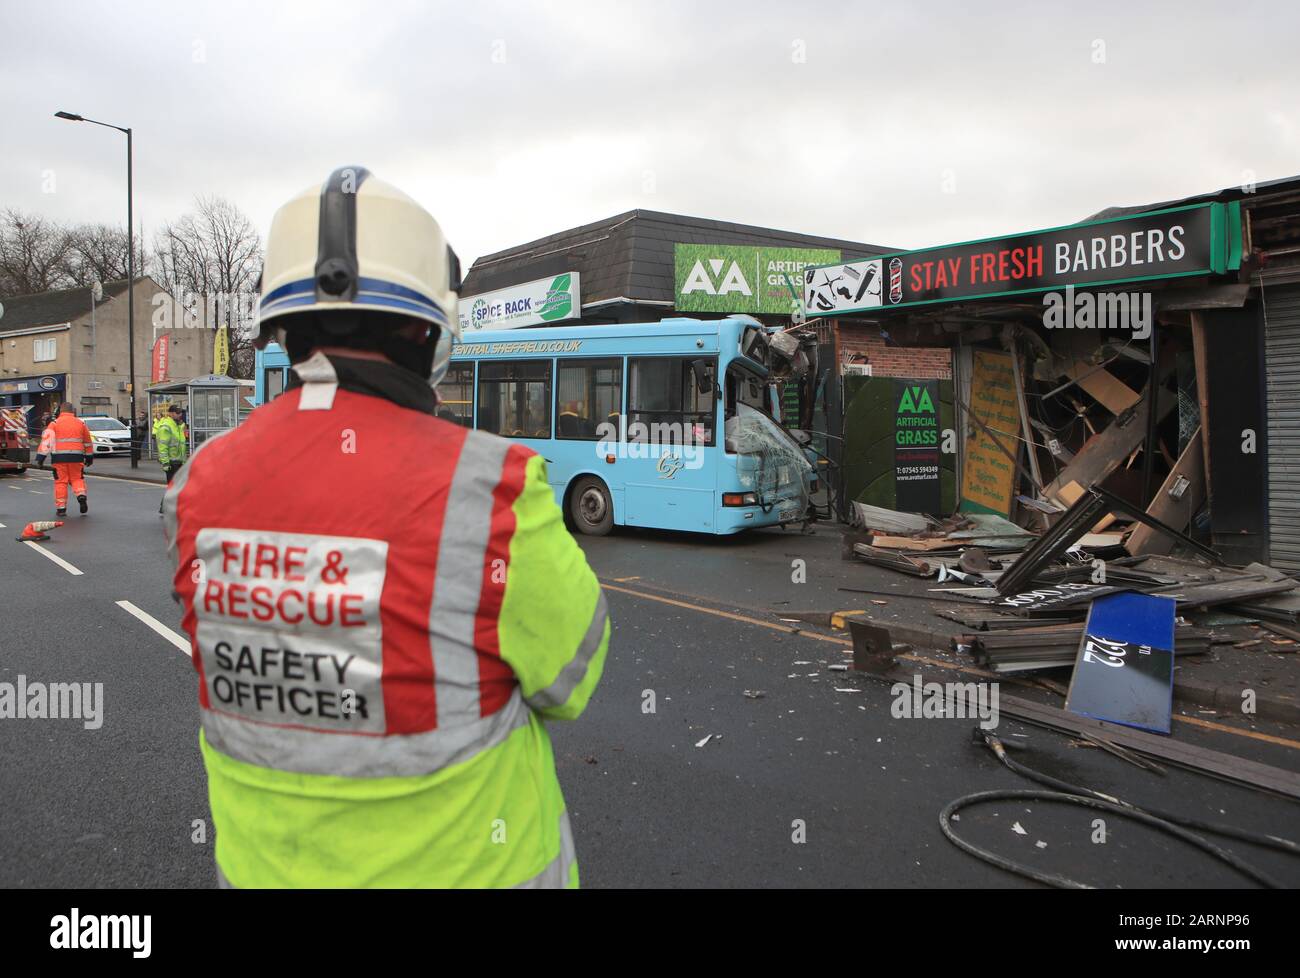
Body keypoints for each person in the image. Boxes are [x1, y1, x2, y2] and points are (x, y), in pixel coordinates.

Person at [162, 167, 609, 888]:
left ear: (283, 324)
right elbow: (570, 680)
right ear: (423, 327)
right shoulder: (490, 487)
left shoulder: (198, 485)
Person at [33, 402, 93, 516]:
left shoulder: (54, 423)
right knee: (77, 479)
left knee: (61, 482)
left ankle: (61, 508)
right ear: (72, 411)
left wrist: (40, 458)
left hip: (59, 458)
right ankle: (81, 496)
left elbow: (47, 442)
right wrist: (89, 457)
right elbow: (87, 442)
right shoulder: (81, 424)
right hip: (77, 457)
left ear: (60, 411)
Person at [154, 404, 188, 514]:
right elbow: (162, 446)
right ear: (171, 413)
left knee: (175, 486)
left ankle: (165, 507)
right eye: (178, 413)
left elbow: (181, 444)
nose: (180, 415)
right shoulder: (166, 426)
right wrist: (165, 462)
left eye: (181, 413)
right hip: (171, 462)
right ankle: (171, 509)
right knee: (174, 486)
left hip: (179, 461)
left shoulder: (178, 425)